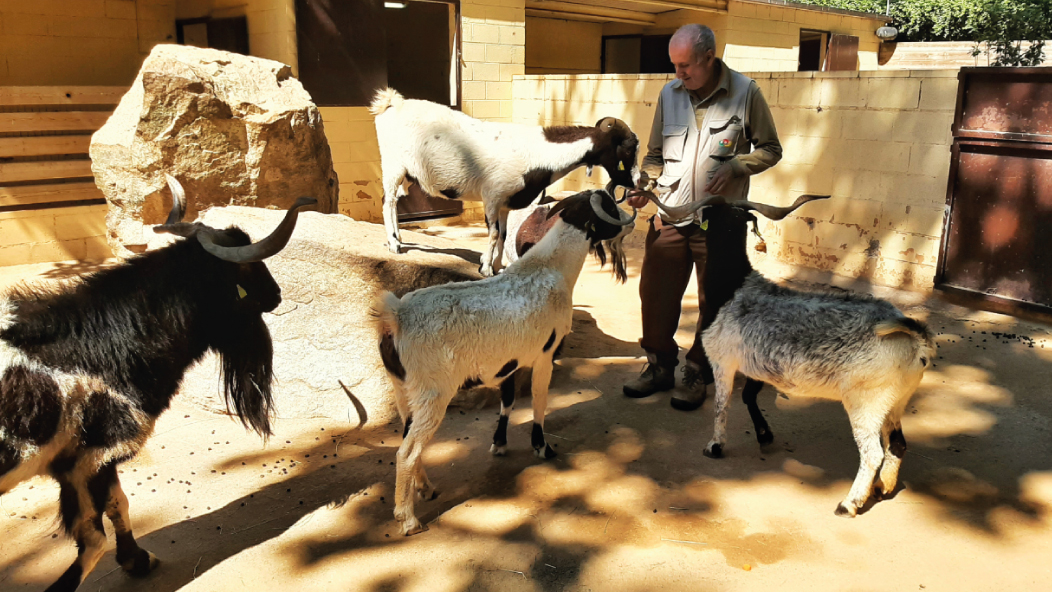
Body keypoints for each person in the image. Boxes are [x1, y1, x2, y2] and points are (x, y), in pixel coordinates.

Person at [622, 24, 782, 411]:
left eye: (686, 65)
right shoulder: (669, 93)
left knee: (716, 302)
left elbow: (771, 149)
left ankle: (697, 370)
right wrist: (647, 184)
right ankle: (659, 366)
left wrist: (740, 165)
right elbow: (655, 155)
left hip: (720, 221)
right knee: (655, 296)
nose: (679, 73)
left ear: (709, 58)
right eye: (674, 65)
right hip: (672, 215)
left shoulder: (747, 93)